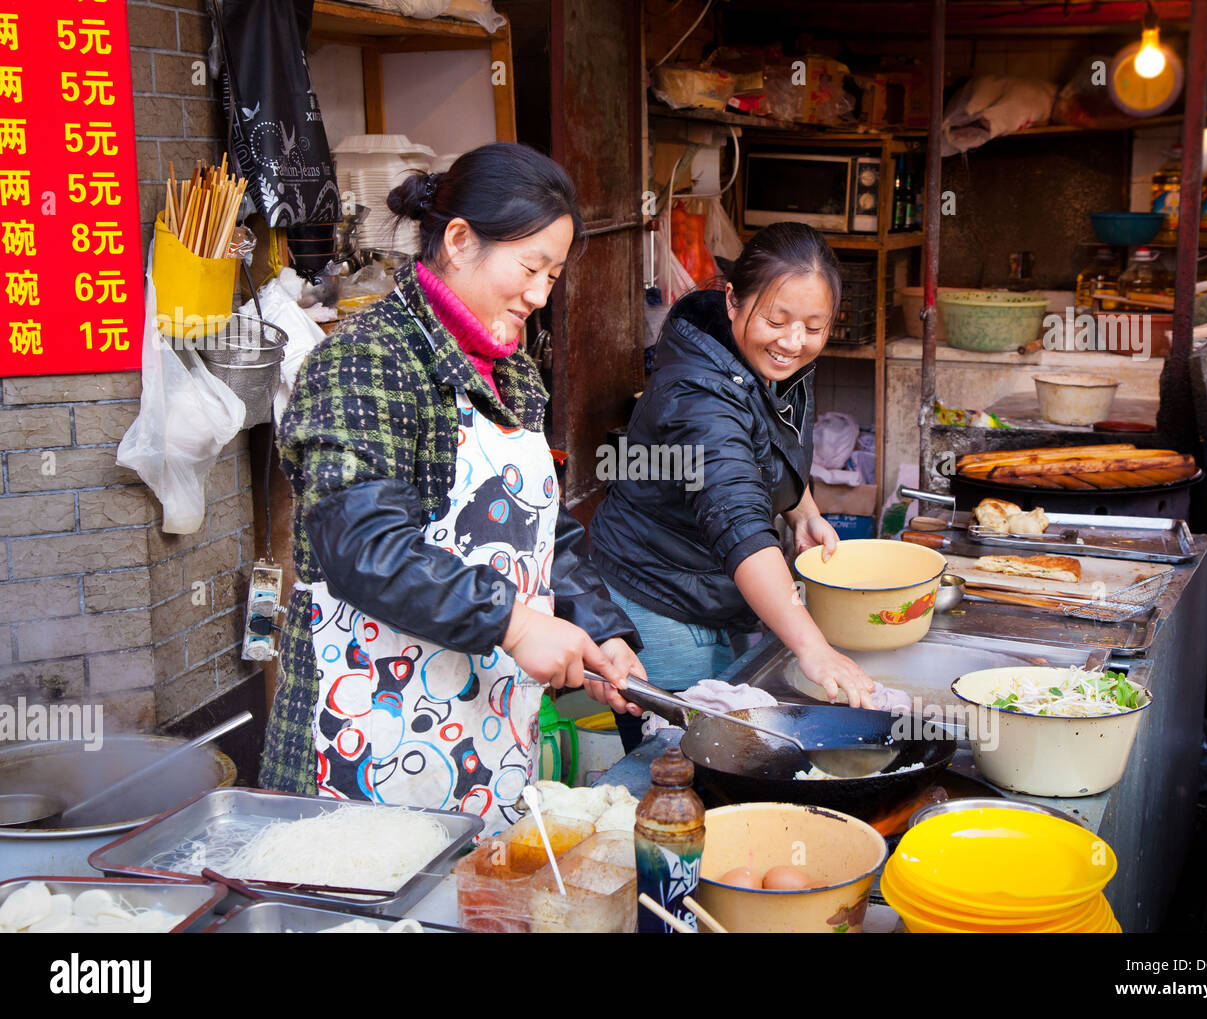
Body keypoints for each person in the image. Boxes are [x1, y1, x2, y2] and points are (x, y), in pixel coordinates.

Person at [259, 143, 644, 836]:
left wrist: (599, 627)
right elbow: (364, 547)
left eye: (553, 275)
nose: (539, 295)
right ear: (460, 241)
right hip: (363, 739)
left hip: (482, 735)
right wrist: (517, 624)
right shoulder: (366, 360)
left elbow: (539, 532)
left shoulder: (512, 371)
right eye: (529, 268)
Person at [588, 222, 876, 751]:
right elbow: (737, 521)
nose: (793, 342)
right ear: (732, 300)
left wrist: (801, 510)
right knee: (685, 769)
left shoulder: (766, 356)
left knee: (736, 751)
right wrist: (814, 648)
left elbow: (769, 446)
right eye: (777, 320)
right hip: (662, 594)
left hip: (720, 587)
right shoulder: (698, 394)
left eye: (815, 326)